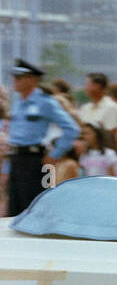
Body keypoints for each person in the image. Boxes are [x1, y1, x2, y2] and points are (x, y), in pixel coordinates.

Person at [6, 60, 80, 216]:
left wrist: (55, 153)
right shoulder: (19, 102)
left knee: (33, 206)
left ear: (32, 79)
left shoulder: (45, 102)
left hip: (34, 160)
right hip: (16, 158)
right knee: (14, 207)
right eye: (15, 77)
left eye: (19, 77)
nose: (15, 81)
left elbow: (71, 128)